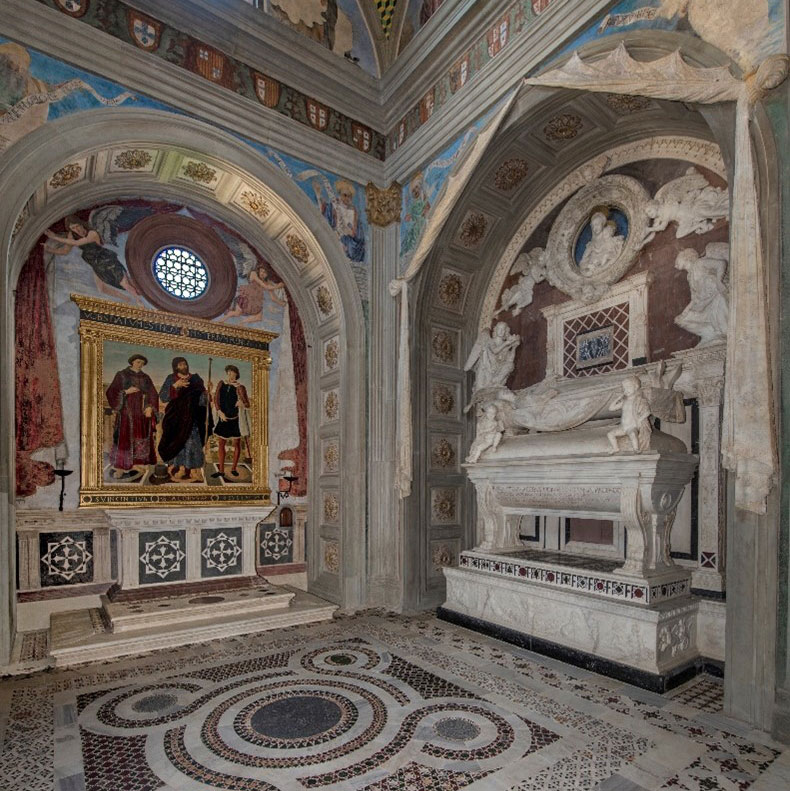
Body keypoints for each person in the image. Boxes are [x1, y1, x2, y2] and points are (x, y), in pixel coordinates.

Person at [43, 215, 143, 304]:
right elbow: (65, 251)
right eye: (72, 228)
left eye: (77, 226)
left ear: (81, 224)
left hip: (106, 260)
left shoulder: (92, 233)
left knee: (124, 282)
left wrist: (55, 237)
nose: (76, 229)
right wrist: (50, 249)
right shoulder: (73, 236)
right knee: (102, 288)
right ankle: (126, 299)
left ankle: (139, 301)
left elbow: (77, 243)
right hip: (96, 264)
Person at [105, 354, 159, 479]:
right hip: (126, 413)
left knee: (140, 437)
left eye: (142, 363)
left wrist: (150, 407)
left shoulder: (145, 377)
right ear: (132, 362)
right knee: (124, 439)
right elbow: (111, 391)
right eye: (138, 362)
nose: (140, 365)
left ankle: (137, 465)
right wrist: (125, 392)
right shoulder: (122, 375)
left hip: (141, 413)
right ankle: (121, 467)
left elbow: (153, 394)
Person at [158, 357, 212, 481]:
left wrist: (207, 393)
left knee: (193, 443)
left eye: (185, 364)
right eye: (180, 364)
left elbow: (203, 400)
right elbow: (163, 396)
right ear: (176, 367)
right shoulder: (171, 378)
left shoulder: (196, 379)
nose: (183, 366)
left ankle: (194, 470)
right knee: (177, 443)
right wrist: (175, 386)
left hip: (193, 417)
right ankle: (181, 468)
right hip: (176, 417)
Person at [211, 365, 251, 480]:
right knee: (221, 444)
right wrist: (219, 412)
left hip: (235, 420)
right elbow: (216, 399)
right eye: (228, 373)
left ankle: (233, 469)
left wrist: (242, 403)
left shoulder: (240, 387)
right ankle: (221, 471)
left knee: (236, 444)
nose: (230, 375)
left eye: (232, 373)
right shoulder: (221, 383)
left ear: (236, 375)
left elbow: (247, 404)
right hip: (223, 418)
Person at [313, 178, 365, 262]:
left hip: (348, 239)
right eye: (345, 195)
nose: (347, 198)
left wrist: (349, 231)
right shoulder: (334, 205)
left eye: (349, 196)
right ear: (340, 194)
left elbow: (357, 233)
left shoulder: (353, 211)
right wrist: (318, 194)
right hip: (335, 235)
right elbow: (324, 212)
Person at [464, 321, 521, 391]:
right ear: (496, 330)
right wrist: (507, 343)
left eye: (503, 329)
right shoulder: (490, 341)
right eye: (499, 329)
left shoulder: (506, 345)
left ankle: (495, 383)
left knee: (510, 365)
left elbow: (510, 360)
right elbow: (495, 351)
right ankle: (487, 385)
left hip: (498, 369)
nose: (501, 331)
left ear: (506, 331)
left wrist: (514, 347)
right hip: (488, 367)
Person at [607, 376, 652, 453]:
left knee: (633, 435)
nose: (626, 390)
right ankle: (615, 448)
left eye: (628, 387)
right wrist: (618, 398)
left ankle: (636, 449)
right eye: (624, 388)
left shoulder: (639, 400)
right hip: (623, 427)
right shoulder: (624, 401)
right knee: (610, 434)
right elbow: (611, 408)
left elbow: (647, 411)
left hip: (632, 426)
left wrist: (640, 420)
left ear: (636, 387)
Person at [578, 211, 625, 276]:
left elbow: (613, 252)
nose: (595, 228)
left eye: (597, 225)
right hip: (592, 270)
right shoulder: (590, 245)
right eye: (593, 226)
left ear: (602, 224)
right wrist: (588, 266)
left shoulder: (610, 241)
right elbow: (583, 262)